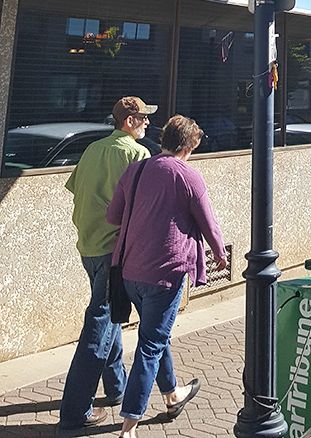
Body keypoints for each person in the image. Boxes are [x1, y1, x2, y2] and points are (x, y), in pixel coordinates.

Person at [106, 115, 228, 438]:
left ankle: (173, 394)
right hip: (165, 274)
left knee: (154, 336)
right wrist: (220, 253)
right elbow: (208, 224)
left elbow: (113, 215)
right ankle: (129, 426)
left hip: (129, 272)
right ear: (187, 147)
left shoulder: (137, 169)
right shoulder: (189, 176)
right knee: (150, 346)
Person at [59, 96, 157, 431]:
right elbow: (144, 208)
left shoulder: (93, 149)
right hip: (113, 251)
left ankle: (116, 388)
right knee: (98, 327)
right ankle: (74, 413)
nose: (147, 122)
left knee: (111, 314)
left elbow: (76, 189)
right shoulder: (136, 154)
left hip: (88, 245)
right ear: (129, 121)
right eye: (143, 118)